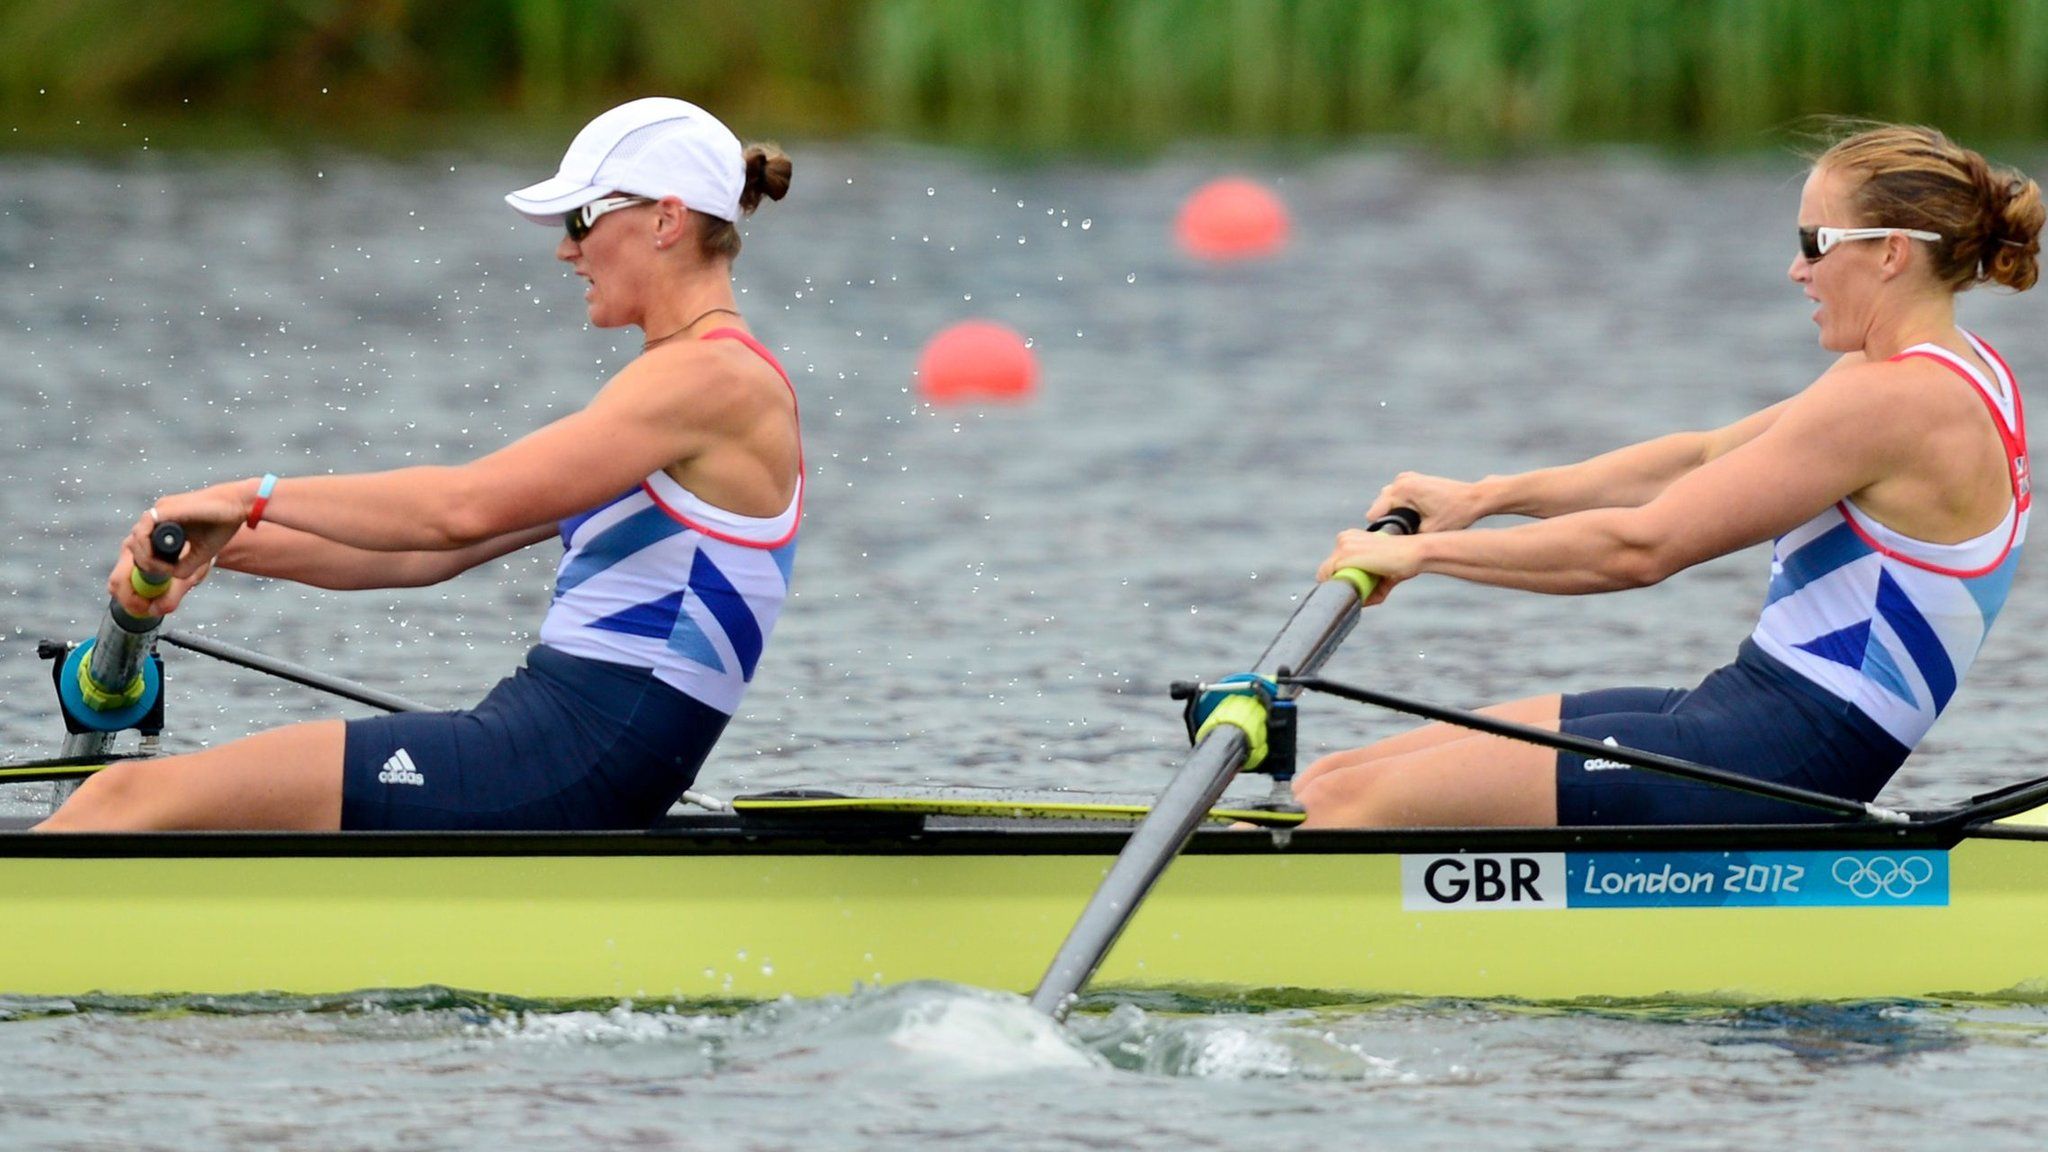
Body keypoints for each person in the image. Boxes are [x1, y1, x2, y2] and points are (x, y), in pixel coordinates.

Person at [38, 97, 799, 832]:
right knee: (141, 801)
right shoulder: (677, 385)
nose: (565, 249)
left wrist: (248, 496)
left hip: (566, 760)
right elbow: (421, 555)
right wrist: (217, 546)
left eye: (580, 220)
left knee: (121, 800)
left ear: (666, 220)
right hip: (565, 755)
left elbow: (457, 510)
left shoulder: (711, 381)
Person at [1295, 122, 2043, 829]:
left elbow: (1640, 550)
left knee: (1343, 805)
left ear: (1891, 254)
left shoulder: (1896, 401)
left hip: (1782, 764)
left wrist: (1422, 554)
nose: (1797, 270)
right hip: (1745, 719)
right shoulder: (1959, 371)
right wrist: (1483, 498)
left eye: (1814, 243)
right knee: (1329, 781)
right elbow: (1702, 458)